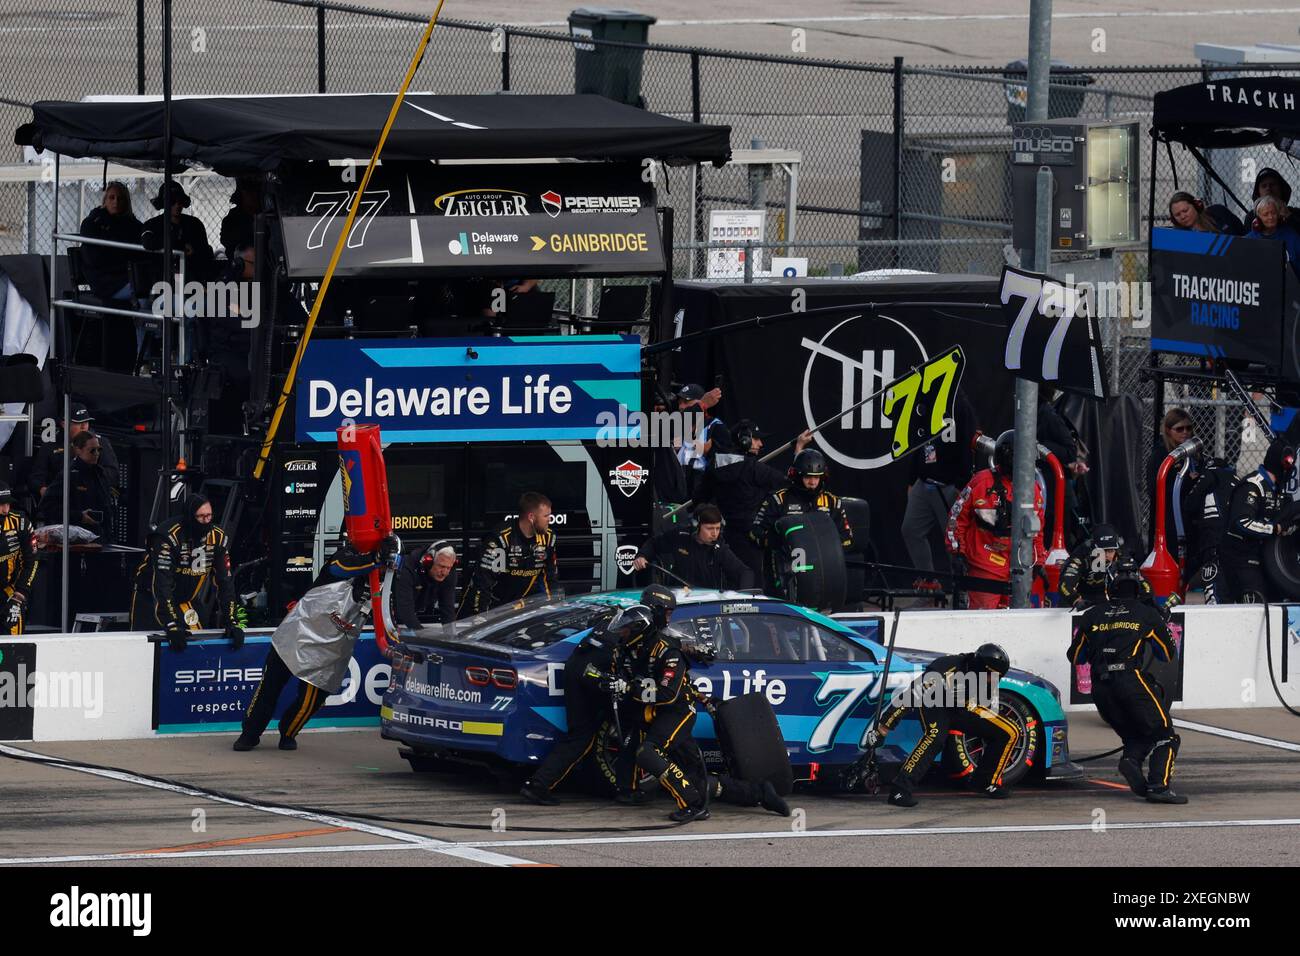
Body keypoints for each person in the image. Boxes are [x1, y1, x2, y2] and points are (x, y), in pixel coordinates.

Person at [625, 585, 790, 822]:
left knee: (649, 753)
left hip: (675, 711)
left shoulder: (667, 646)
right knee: (698, 782)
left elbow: (670, 689)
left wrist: (630, 688)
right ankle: (760, 792)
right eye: (669, 613)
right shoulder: (643, 643)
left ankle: (694, 806)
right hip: (665, 712)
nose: (669, 619)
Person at [235, 538, 396, 751]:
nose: (385, 566)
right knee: (269, 687)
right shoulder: (345, 558)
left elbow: (388, 616)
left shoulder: (387, 582)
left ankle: (289, 731)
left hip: (329, 650)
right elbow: (340, 569)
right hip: (297, 634)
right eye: (384, 559)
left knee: (311, 700)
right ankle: (250, 733)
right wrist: (373, 559)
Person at [1067, 556, 1186, 804]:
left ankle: (1131, 760)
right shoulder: (1146, 614)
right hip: (1129, 681)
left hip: (1101, 689)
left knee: (1136, 736)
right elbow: (1166, 654)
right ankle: (1159, 787)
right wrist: (1158, 626)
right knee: (1166, 735)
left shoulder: (1093, 615)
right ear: (1140, 589)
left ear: (1111, 589)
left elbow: (1075, 657)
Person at [519, 603, 646, 806]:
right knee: (584, 735)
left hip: (577, 665)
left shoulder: (619, 614)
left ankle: (543, 783)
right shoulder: (641, 624)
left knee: (583, 733)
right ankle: (538, 785)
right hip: (592, 673)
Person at [866, 643, 1018, 808]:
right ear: (982, 668)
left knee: (1008, 732)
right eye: (993, 676)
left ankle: (985, 782)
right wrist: (884, 727)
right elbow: (911, 695)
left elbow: (982, 702)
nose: (995, 680)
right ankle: (899, 789)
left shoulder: (987, 677)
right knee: (935, 738)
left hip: (961, 706)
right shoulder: (944, 669)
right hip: (934, 703)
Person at [129, 494, 242, 651]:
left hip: (186, 599)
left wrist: (232, 621)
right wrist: (171, 624)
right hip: (150, 597)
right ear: (190, 516)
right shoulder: (168, 535)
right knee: (144, 650)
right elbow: (162, 582)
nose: (206, 521)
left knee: (198, 647)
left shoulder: (217, 537)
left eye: (209, 515)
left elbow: (225, 582)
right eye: (201, 516)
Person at [946, 431, 1045, 609]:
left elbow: (1037, 531)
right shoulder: (981, 482)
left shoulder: (1034, 490)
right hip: (985, 567)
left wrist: (1039, 562)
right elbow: (956, 518)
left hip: (1019, 571)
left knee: (1015, 625)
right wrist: (958, 553)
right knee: (984, 625)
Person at [705, 419, 811, 583]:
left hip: (726, 538)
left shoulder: (713, 466)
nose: (761, 444)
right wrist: (799, 449)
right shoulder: (753, 469)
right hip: (753, 539)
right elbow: (791, 483)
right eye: (756, 438)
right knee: (754, 586)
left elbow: (699, 498)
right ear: (744, 439)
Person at [749, 448, 853, 598]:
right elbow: (755, 532)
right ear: (797, 476)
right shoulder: (779, 499)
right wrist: (778, 542)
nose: (812, 482)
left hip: (823, 573)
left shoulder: (832, 502)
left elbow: (847, 539)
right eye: (808, 477)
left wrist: (826, 547)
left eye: (816, 477)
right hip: (784, 571)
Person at [901, 392, 978, 584]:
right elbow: (917, 442)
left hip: (949, 486)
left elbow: (968, 447)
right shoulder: (925, 402)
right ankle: (928, 584)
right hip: (924, 482)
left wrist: (961, 485)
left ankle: (961, 591)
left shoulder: (960, 405)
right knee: (910, 529)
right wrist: (912, 478)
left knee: (955, 541)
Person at [1217, 439, 1299, 604]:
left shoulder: (1279, 491)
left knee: (1279, 597)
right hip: (1239, 557)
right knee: (1258, 600)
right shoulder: (1253, 486)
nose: (1290, 468)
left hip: (1260, 556)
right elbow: (1242, 522)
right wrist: (1274, 528)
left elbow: (1287, 518)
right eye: (1287, 463)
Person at [459, 492, 559, 616]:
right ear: (531, 517)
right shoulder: (502, 539)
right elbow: (484, 582)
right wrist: (480, 616)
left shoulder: (548, 538)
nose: (550, 519)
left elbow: (549, 578)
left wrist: (556, 610)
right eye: (546, 516)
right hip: (487, 606)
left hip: (514, 607)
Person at [633, 503, 755, 590]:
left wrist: (744, 595)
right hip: (679, 596)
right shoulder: (680, 536)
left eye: (717, 528)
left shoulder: (720, 548)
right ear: (697, 526)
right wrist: (642, 556)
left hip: (708, 599)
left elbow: (744, 572)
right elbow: (654, 544)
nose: (714, 533)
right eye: (710, 528)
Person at [26, 402, 120, 500]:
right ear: (64, 424)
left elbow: (113, 475)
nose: (84, 427)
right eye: (78, 423)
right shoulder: (50, 446)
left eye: (86, 422)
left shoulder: (100, 443)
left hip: (92, 499)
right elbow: (35, 477)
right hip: (60, 500)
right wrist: (43, 489)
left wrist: (90, 474)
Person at [37, 431, 117, 539]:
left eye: (99, 449)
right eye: (92, 450)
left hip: (101, 536)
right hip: (76, 539)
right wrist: (79, 516)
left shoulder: (100, 473)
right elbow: (47, 506)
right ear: (78, 450)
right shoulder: (69, 474)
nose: (97, 453)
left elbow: (106, 506)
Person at [1057, 524, 1153, 609]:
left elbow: (1144, 585)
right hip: (1082, 599)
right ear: (1093, 548)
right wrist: (1076, 601)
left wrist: (1146, 599)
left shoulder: (1122, 556)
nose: (1106, 555)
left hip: (1110, 601)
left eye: (1110, 550)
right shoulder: (1081, 557)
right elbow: (1064, 585)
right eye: (1102, 551)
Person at [77, 181, 142, 301]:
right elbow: (93, 259)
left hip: (129, 278)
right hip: (106, 284)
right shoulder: (92, 224)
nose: (116, 202)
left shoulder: (132, 226)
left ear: (126, 202)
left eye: (120, 198)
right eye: (112, 197)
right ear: (105, 200)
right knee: (144, 293)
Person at [140, 182, 215, 281]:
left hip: (192, 278)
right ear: (163, 203)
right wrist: (180, 247)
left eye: (180, 201)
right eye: (172, 201)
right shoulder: (152, 224)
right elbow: (148, 242)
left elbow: (205, 250)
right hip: (162, 278)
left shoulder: (194, 223)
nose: (177, 205)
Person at [1149, 407, 1197, 555]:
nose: (1185, 432)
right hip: (1168, 519)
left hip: (1190, 516)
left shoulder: (1195, 452)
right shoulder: (1160, 455)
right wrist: (1187, 482)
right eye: (1179, 429)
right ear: (1169, 430)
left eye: (1189, 428)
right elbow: (1154, 490)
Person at [391, 539, 459, 629]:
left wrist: (452, 638)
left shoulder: (449, 573)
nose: (444, 572)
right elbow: (405, 611)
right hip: (388, 613)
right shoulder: (407, 568)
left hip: (414, 612)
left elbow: (448, 609)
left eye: (448, 568)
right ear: (429, 561)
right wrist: (422, 636)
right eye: (441, 566)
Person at [0, 481, 38, 635]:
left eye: (7, 504)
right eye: (1, 504)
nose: (5, 509)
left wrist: (19, 596)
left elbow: (31, 561)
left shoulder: (21, 523)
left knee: (13, 651)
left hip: (9, 592)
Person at [674, 383, 723, 493]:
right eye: (680, 402)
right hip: (678, 492)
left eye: (686, 402)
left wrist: (711, 452)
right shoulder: (677, 427)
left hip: (703, 493)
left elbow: (728, 464)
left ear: (701, 402)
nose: (681, 406)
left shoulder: (715, 426)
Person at [1245, 195, 1300, 280]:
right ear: (1258, 219)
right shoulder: (1248, 240)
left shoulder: (1292, 236)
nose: (1270, 217)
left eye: (1273, 213)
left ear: (1278, 215)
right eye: (1266, 214)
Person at [219, 175, 262, 260]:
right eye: (248, 193)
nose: (253, 196)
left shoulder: (268, 215)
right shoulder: (233, 219)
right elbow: (226, 240)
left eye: (255, 192)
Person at [1167, 190, 1243, 235]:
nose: (1183, 216)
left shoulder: (1218, 212)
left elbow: (1242, 233)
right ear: (1173, 219)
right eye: (1177, 215)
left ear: (1196, 206)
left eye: (1185, 211)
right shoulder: (1179, 236)